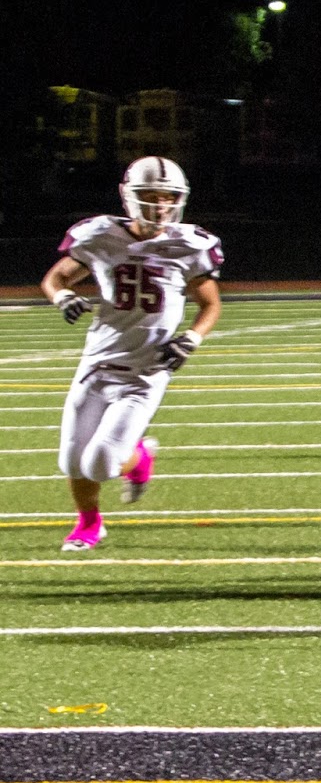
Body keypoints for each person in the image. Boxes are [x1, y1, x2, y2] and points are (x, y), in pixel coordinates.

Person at [40, 156, 223, 551]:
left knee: (100, 464)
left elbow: (210, 305)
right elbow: (55, 277)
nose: (161, 205)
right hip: (97, 363)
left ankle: (138, 459)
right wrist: (63, 296)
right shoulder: (100, 236)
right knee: (72, 462)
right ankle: (89, 524)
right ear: (129, 197)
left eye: (168, 197)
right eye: (151, 196)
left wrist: (191, 338)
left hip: (145, 372)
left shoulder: (188, 244)